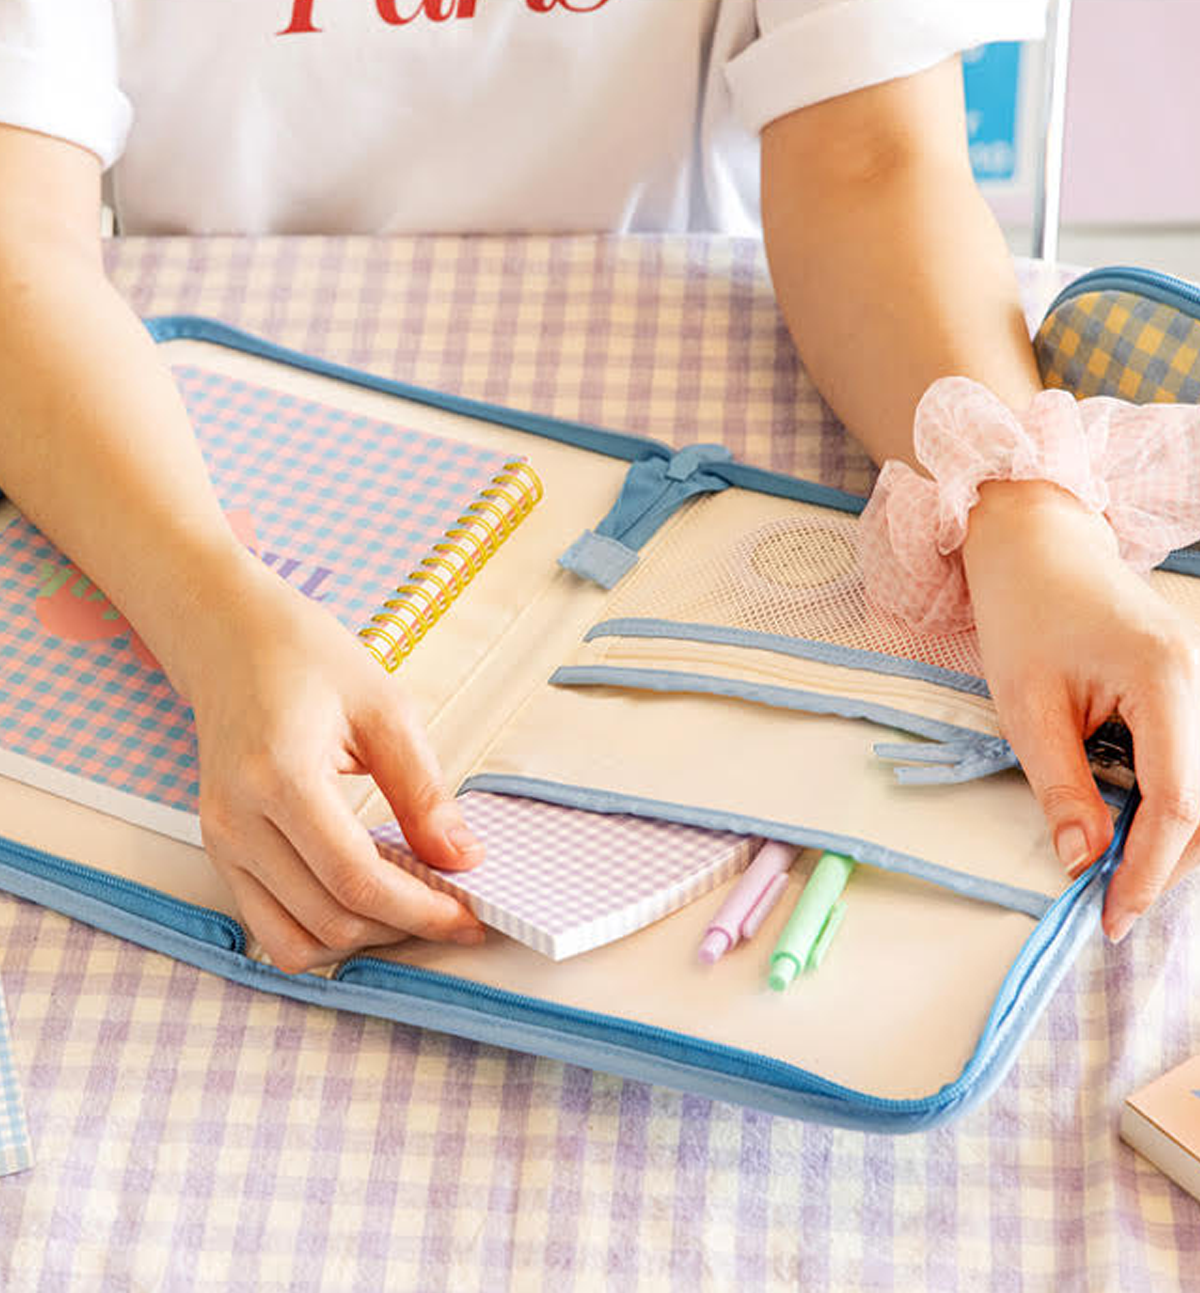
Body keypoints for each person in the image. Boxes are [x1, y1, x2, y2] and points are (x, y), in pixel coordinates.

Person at [2, 1, 1195, 975]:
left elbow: (870, 153)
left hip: (723, 424)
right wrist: (213, 610)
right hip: (180, 458)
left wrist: (1022, 509)